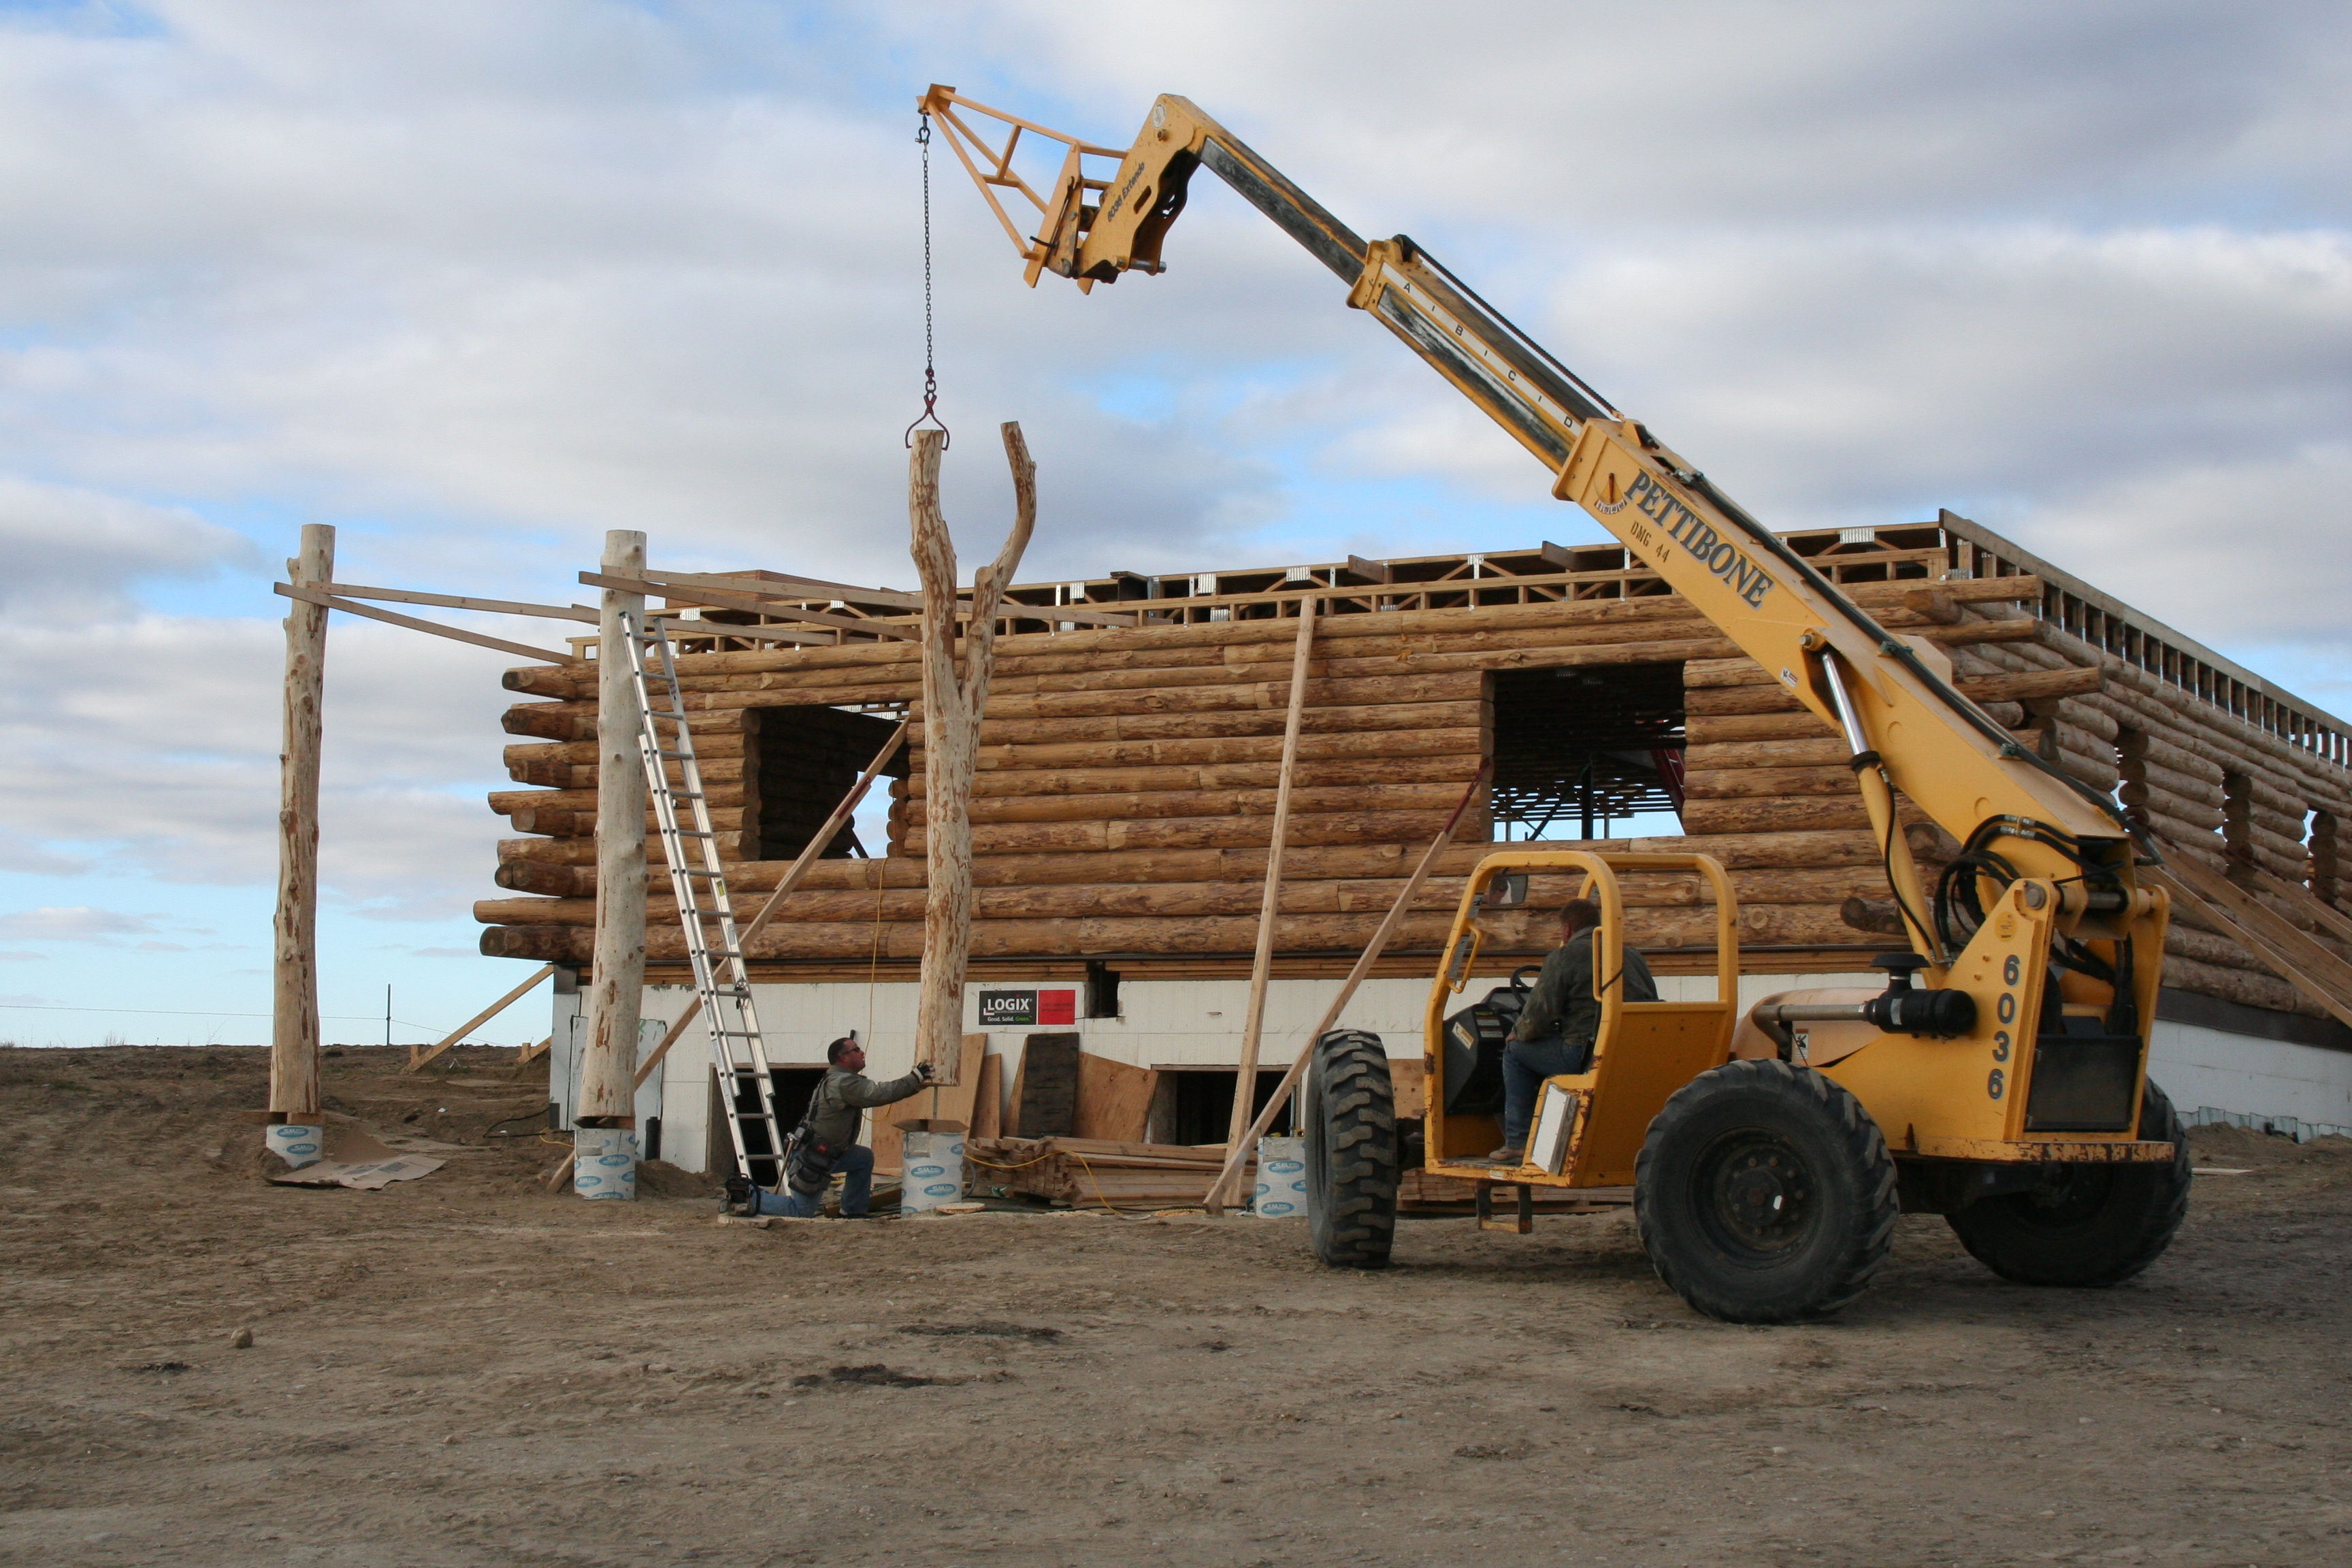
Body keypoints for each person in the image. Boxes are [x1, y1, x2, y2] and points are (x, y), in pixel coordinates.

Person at [1488, 898, 1656, 1164]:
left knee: (1515, 1053)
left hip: (1583, 1051)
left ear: (1567, 930)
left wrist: (1517, 1032)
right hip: (1628, 1047)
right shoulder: (1632, 955)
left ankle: (1518, 1142)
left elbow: (1540, 1011)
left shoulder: (1566, 956)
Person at [742, 1037, 930, 1218]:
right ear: (844, 1057)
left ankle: (852, 1211)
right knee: (800, 1212)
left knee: (862, 1158)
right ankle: (748, 1194)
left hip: (829, 1153)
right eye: (856, 1050)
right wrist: (914, 1078)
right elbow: (879, 1093)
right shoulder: (843, 1083)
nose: (862, 1052)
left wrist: (914, 1084)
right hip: (813, 1157)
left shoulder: (842, 1080)